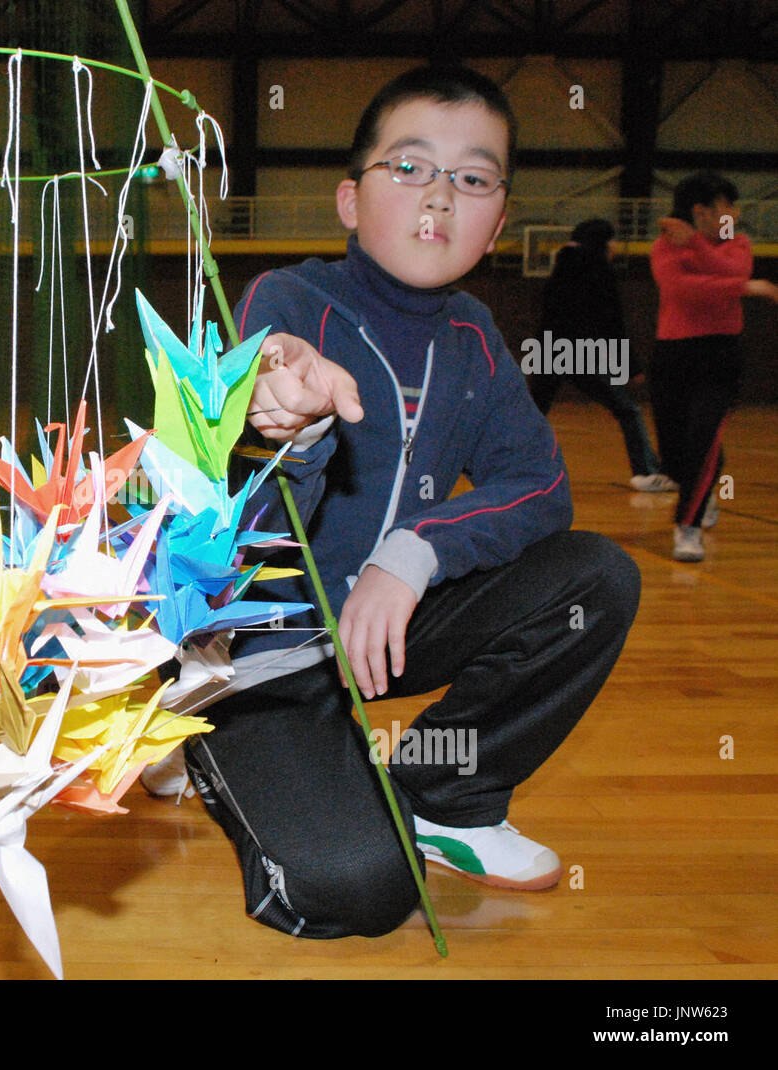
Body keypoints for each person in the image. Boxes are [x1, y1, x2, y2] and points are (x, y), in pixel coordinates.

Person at [178, 65, 640, 939]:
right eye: (411, 167)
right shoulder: (285, 302)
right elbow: (243, 499)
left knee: (595, 578)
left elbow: (540, 488)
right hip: (259, 653)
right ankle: (200, 746)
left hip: (379, 626)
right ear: (350, 200)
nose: (440, 195)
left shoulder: (474, 337)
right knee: (357, 890)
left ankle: (445, 793)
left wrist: (414, 549)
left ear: (496, 220)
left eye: (472, 178)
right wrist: (284, 420)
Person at [649, 173, 778, 562]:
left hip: (719, 355)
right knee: (675, 454)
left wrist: (698, 251)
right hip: (672, 355)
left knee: (703, 439)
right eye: (727, 206)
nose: (734, 214)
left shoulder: (738, 244)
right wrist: (742, 288)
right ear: (701, 212)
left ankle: (687, 528)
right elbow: (680, 291)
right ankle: (704, 490)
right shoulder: (663, 245)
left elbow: (735, 270)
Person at [530, 218, 672, 492]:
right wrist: (630, 365)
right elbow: (612, 321)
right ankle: (646, 472)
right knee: (627, 410)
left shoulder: (560, 267)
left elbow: (548, 315)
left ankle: (504, 470)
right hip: (581, 354)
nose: (616, 246)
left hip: (549, 351)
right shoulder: (598, 270)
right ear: (602, 242)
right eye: (612, 240)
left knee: (533, 413)